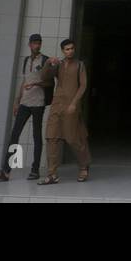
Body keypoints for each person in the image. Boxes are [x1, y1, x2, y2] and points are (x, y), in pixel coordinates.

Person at [0, 33, 51, 181]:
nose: (37, 45)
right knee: (14, 135)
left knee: (36, 136)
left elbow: (49, 83)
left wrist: (35, 84)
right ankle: (6, 171)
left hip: (38, 103)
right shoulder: (26, 60)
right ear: (30, 45)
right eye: (35, 43)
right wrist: (17, 101)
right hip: (25, 102)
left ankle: (35, 170)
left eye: (39, 43)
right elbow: (24, 82)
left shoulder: (45, 60)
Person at [37, 38, 91, 184]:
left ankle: (84, 166)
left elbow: (83, 85)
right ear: (63, 51)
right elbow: (44, 77)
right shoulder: (58, 65)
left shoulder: (79, 65)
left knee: (72, 138)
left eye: (72, 48)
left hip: (71, 106)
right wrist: (48, 63)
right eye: (67, 49)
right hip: (57, 105)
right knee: (51, 137)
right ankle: (52, 174)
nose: (70, 51)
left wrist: (74, 103)